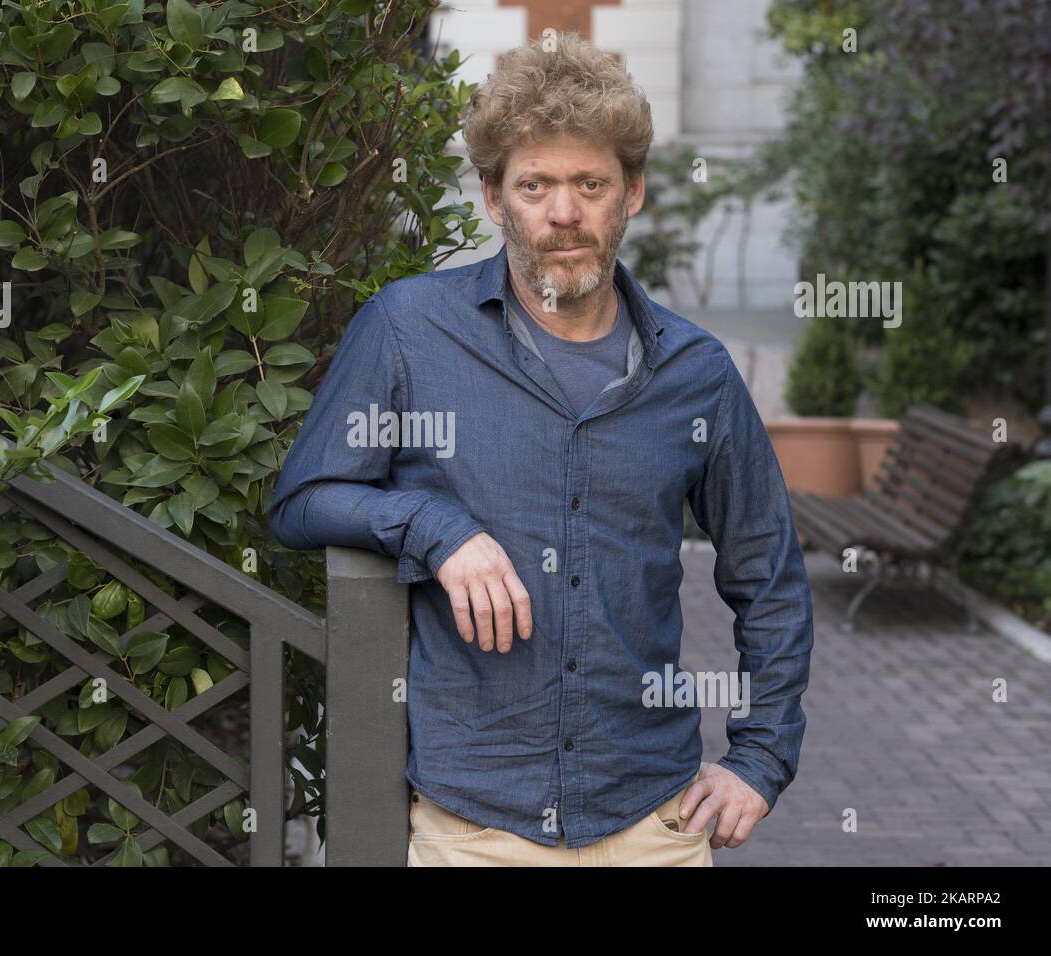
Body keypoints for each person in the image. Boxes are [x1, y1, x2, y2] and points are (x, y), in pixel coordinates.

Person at [266, 32, 814, 866]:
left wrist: (760, 758)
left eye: (590, 184)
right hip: (472, 827)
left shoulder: (696, 372)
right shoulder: (409, 331)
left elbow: (768, 576)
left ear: (631, 191)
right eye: (536, 186)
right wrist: (434, 528)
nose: (564, 214)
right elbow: (302, 500)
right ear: (493, 197)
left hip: (650, 826)